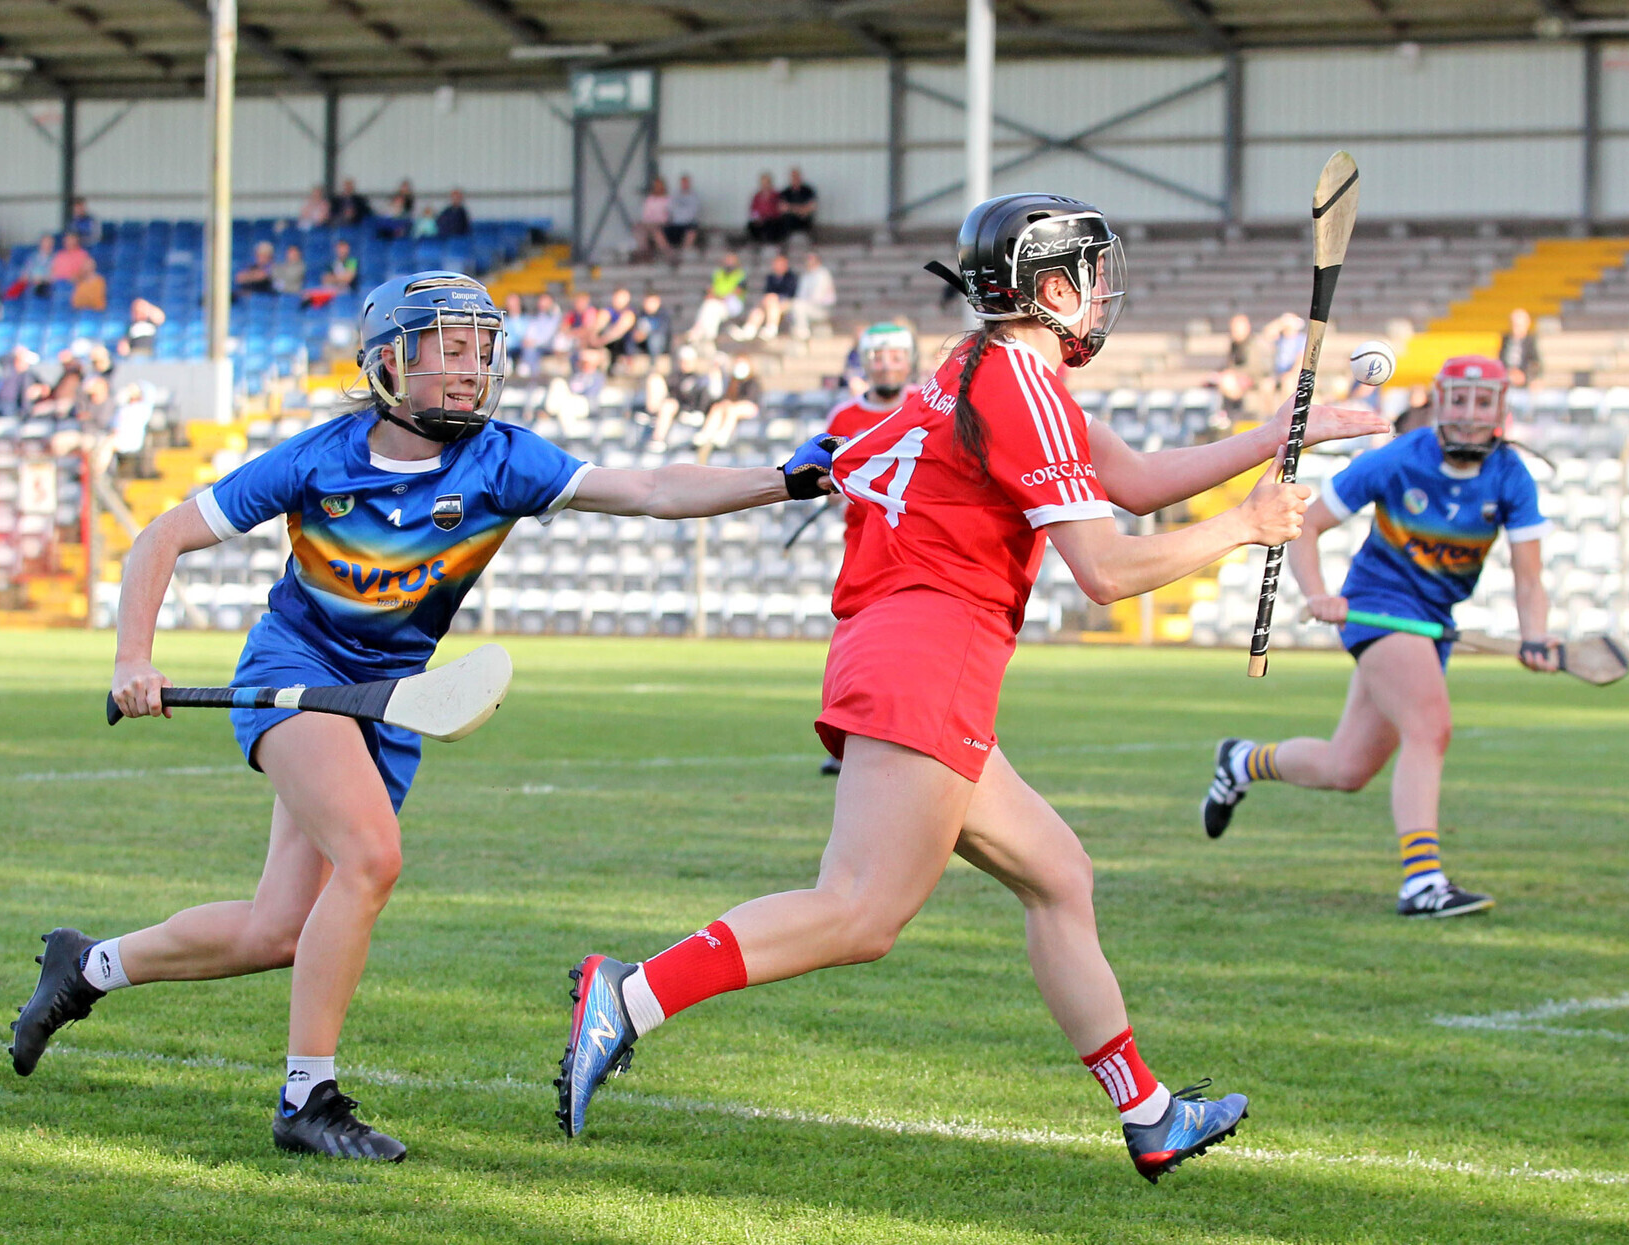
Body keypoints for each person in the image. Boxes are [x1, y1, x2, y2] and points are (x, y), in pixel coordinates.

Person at [555, 194, 1329, 1185]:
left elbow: (1133, 479)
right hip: (932, 654)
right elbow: (1105, 570)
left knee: (1057, 875)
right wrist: (1244, 528)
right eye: (1088, 275)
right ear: (1050, 290)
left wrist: (1276, 435)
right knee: (860, 912)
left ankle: (1148, 1114)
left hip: (905, 647)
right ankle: (629, 996)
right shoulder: (1021, 388)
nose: (1101, 294)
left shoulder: (974, 369)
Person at [8, 270, 844, 1160]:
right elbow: (161, 536)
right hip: (298, 672)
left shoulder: (503, 460)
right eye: (450, 346)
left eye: (483, 347)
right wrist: (132, 656)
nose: (472, 366)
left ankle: (86, 966)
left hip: (394, 698)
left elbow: (650, 488)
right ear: (389, 363)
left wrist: (785, 481)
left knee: (278, 928)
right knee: (371, 857)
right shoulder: (317, 459)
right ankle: (307, 1097)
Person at [1199, 355, 1556, 920]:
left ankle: (1241, 762)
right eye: (1458, 400)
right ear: (1439, 401)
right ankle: (1421, 882)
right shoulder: (1399, 460)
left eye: (1482, 402)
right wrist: (1319, 592)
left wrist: (1535, 636)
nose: (1468, 414)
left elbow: (1529, 576)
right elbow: (1308, 525)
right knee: (1429, 728)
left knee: (1347, 768)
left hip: (1430, 623)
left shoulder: (1511, 476)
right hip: (1379, 610)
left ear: (1500, 410)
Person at [809, 321, 919, 774]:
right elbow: (829, 479)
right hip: (863, 547)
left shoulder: (927, 404)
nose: (887, 364)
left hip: (917, 545)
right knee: (857, 644)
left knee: (912, 643)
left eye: (895, 355)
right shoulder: (844, 418)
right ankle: (848, 741)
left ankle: (909, 739)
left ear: (908, 359)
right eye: (878, 356)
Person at [729, 252, 797, 342]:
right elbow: (767, 292)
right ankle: (749, 330)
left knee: (772, 300)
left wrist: (776, 298)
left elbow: (790, 293)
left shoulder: (791, 277)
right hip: (771, 303)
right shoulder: (771, 277)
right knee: (760, 307)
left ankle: (771, 328)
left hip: (787, 302)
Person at [690, 252, 748, 345]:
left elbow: (738, 291)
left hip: (733, 303)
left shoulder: (740, 274)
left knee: (712, 307)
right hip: (717, 302)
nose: (729, 263)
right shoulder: (718, 273)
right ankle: (708, 334)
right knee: (710, 306)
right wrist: (717, 298)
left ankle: (699, 330)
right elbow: (710, 289)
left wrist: (720, 298)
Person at [788, 250, 836, 342]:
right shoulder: (805, 276)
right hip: (807, 305)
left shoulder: (823, 274)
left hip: (821, 308)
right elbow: (800, 295)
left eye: (811, 259)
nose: (808, 262)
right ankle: (801, 332)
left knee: (799, 306)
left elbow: (818, 297)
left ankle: (802, 332)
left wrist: (803, 303)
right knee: (795, 306)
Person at [591, 288, 638, 371]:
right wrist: (594, 337)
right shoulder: (608, 311)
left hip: (622, 345)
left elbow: (619, 331)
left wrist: (602, 340)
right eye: (617, 297)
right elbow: (597, 325)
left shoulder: (629, 313)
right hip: (608, 344)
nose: (618, 300)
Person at [1497, 308, 1540, 389]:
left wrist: (1527, 377)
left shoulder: (1530, 341)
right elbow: (1501, 359)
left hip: (1524, 380)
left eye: (1518, 325)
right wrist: (1510, 372)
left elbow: (1535, 362)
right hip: (1507, 377)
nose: (1515, 328)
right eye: (1513, 324)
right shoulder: (1506, 339)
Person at [633, 177, 672, 261]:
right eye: (656, 186)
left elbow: (668, 214)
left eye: (659, 185)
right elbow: (646, 214)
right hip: (649, 223)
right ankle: (643, 252)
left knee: (655, 230)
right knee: (638, 228)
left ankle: (667, 254)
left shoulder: (668, 199)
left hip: (662, 223)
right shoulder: (650, 199)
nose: (657, 187)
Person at [625, 292, 671, 363]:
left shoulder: (663, 314)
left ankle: (653, 364)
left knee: (655, 339)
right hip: (643, 343)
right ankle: (630, 360)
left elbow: (663, 330)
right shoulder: (640, 314)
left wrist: (646, 335)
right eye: (647, 302)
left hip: (659, 343)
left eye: (652, 302)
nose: (649, 305)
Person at [778, 167, 818, 239]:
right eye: (793, 177)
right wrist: (801, 209)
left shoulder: (808, 191)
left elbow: (812, 207)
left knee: (805, 217)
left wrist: (791, 208)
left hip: (804, 219)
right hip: (790, 219)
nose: (795, 179)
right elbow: (782, 208)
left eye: (797, 177)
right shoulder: (785, 192)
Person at [665, 175, 701, 254]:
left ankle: (684, 252)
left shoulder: (694, 196)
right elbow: (670, 209)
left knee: (692, 230)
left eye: (686, 182)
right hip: (675, 223)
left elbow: (694, 211)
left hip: (688, 222)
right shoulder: (675, 195)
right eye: (683, 183)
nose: (684, 184)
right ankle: (669, 253)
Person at [746, 173, 784, 245]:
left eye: (767, 183)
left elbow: (780, 210)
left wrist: (768, 216)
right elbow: (753, 210)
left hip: (772, 220)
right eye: (763, 183)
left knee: (771, 224)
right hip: (760, 220)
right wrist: (757, 218)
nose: (765, 185)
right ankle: (757, 243)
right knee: (751, 225)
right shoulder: (757, 196)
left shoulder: (776, 195)